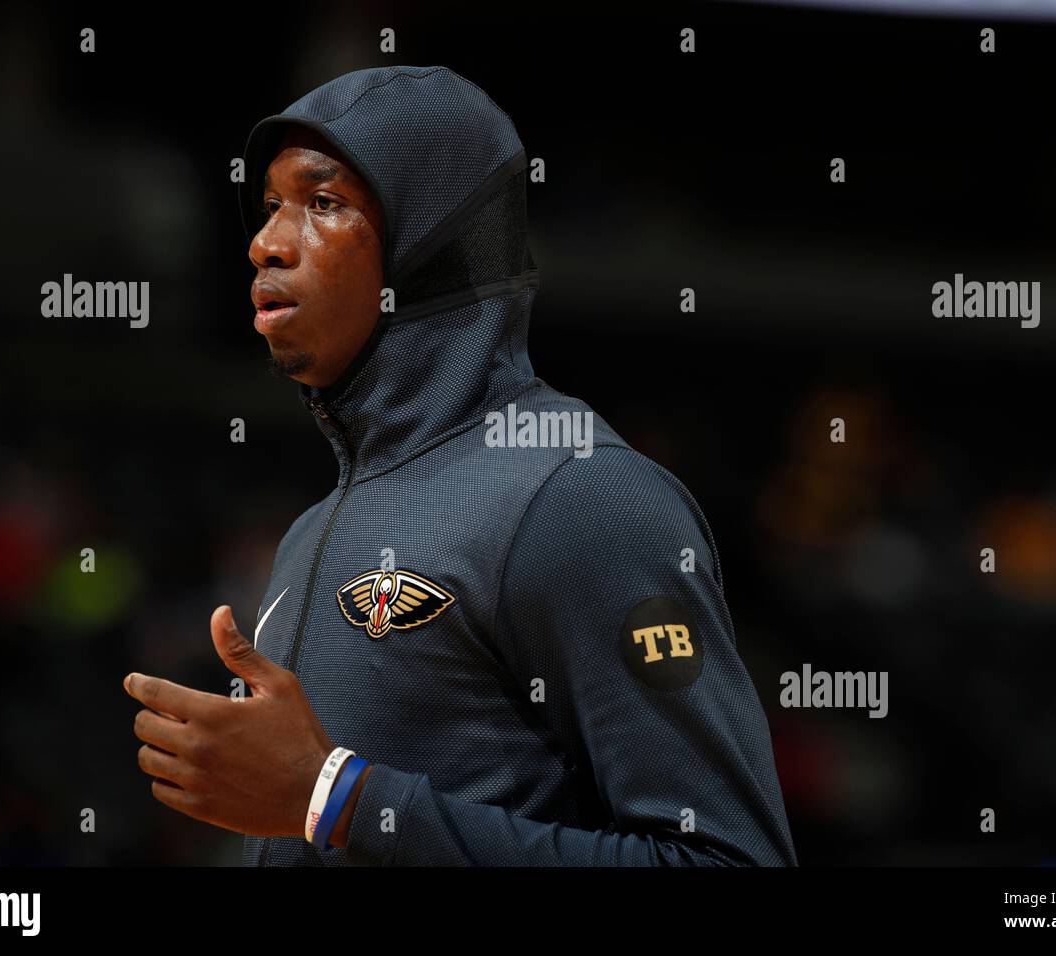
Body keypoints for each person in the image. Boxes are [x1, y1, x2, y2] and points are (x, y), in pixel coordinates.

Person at [124, 64, 796, 866]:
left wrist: (340, 799)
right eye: (271, 207)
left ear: (428, 245)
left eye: (323, 203)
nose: (265, 242)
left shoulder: (581, 495)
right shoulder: (309, 534)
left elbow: (728, 861)